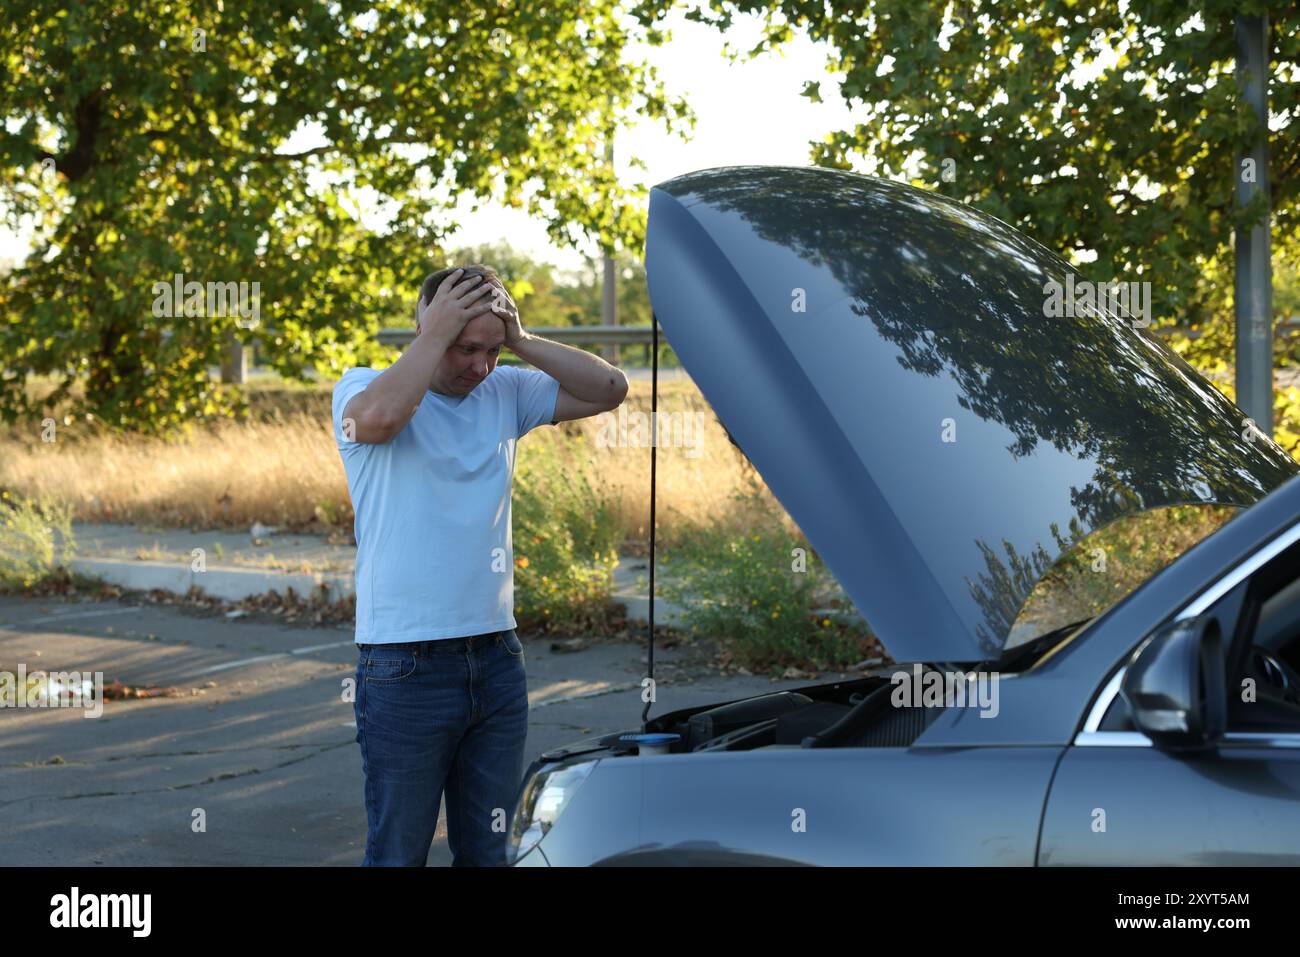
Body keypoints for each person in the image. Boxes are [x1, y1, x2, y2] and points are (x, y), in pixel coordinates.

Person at [332, 263, 628, 865]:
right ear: (429, 327)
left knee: (491, 853)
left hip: (496, 660)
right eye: (466, 348)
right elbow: (381, 422)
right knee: (399, 854)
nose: (480, 367)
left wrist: (518, 339)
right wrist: (433, 336)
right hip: (404, 665)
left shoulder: (506, 391)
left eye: (493, 351)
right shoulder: (361, 388)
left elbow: (610, 390)